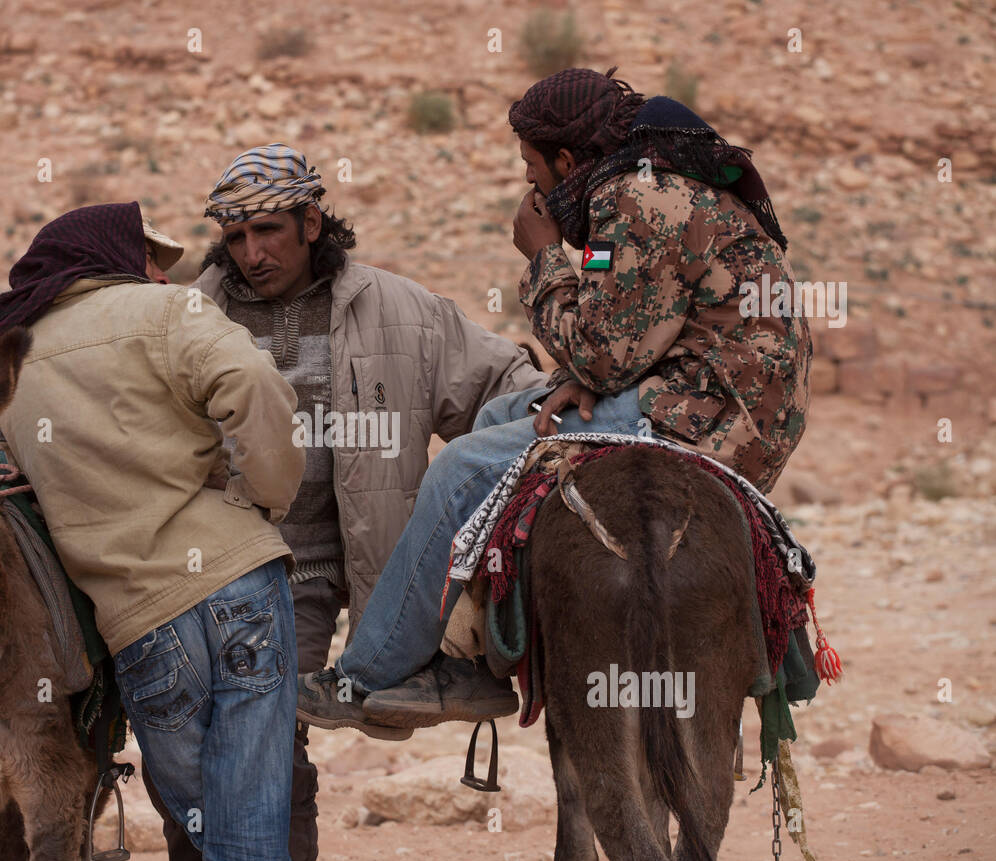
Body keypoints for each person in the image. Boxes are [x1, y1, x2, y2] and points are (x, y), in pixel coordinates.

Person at [296, 67, 812, 733]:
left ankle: (364, 676)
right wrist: (590, 370)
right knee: (494, 420)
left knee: (460, 470)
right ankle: (471, 660)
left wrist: (542, 258)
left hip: (716, 416)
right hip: (693, 385)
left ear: (567, 159)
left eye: (532, 166)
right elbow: (616, 331)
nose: (531, 186)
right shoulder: (632, 190)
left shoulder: (636, 198)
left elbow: (601, 350)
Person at [145, 143, 548, 861]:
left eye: (267, 231)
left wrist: (564, 403)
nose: (251, 253)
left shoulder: (400, 311)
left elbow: (503, 389)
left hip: (338, 564)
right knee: (203, 743)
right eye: (235, 237)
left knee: (269, 740)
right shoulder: (185, 317)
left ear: (310, 221)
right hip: (224, 564)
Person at [0, 202, 306, 861]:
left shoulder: (6, 368)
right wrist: (266, 500)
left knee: (210, 828)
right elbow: (249, 380)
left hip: (137, 622)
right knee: (251, 824)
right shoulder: (167, 314)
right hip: (238, 580)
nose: (161, 276)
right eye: (153, 260)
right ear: (112, 258)